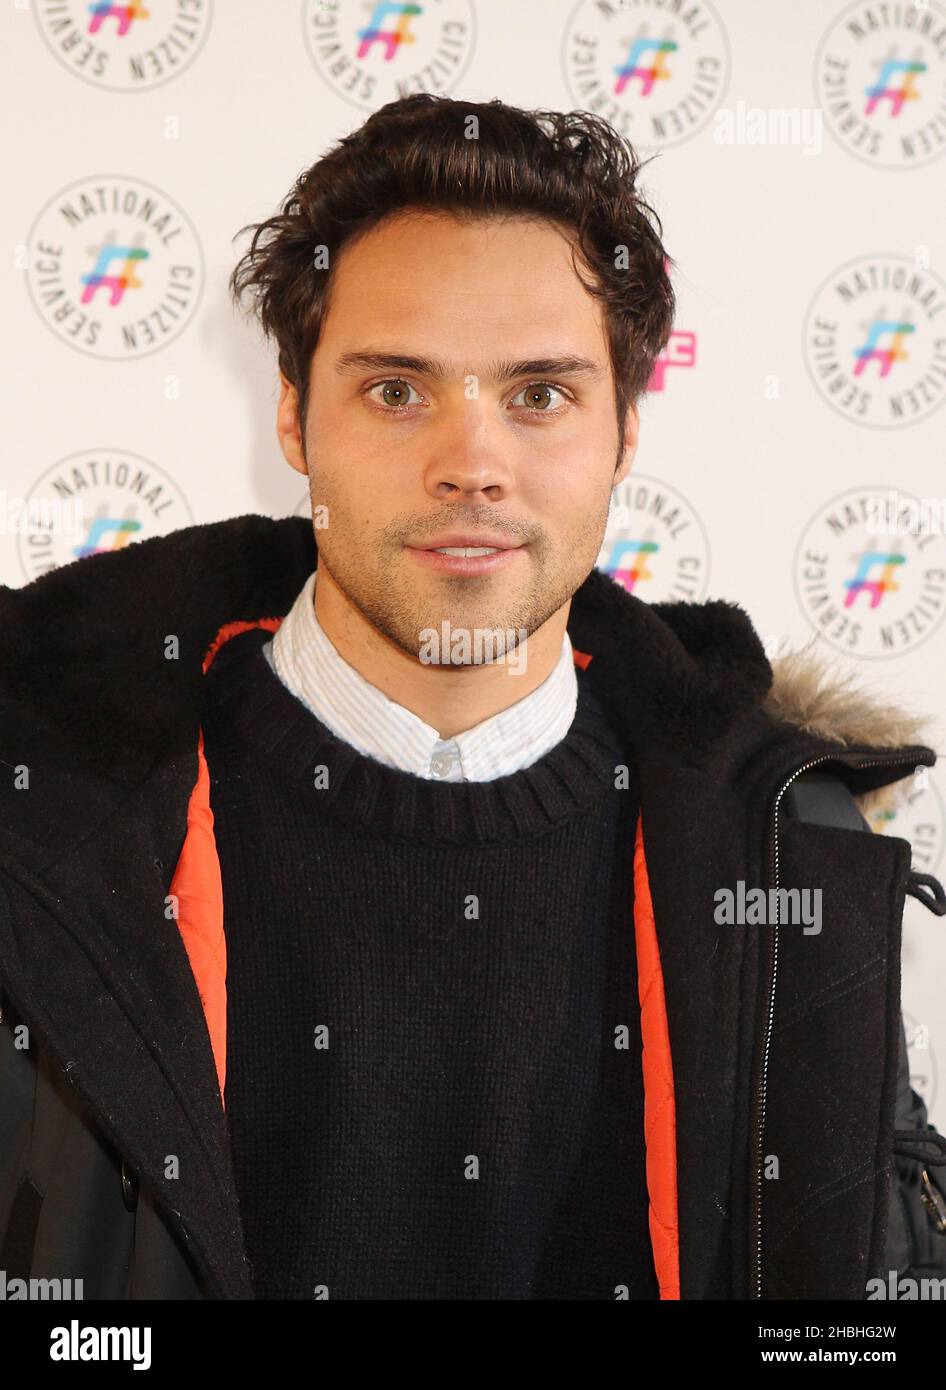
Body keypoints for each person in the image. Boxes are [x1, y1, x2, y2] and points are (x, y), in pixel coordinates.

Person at [1, 94, 945, 1302]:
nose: (471, 462)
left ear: (625, 430)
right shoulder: (41, 823)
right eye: (397, 390)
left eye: (539, 393)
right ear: (293, 414)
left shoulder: (794, 849)